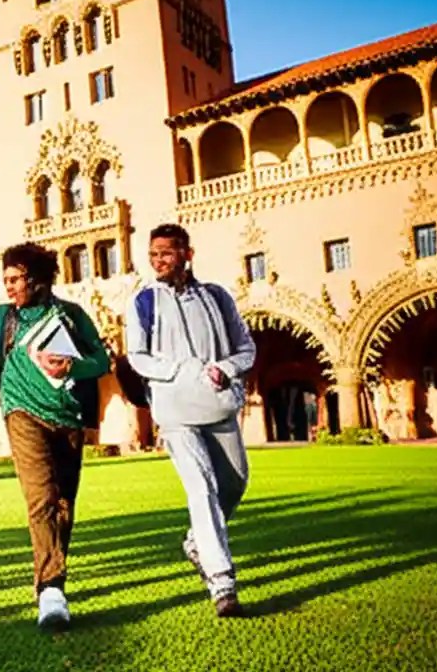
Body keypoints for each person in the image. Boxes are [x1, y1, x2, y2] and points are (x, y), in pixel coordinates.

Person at [124, 223, 256, 618]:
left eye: (166, 253)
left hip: (218, 405)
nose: (158, 261)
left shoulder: (217, 297)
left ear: (187, 254)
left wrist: (224, 369)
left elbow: (246, 347)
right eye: (153, 254)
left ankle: (198, 542)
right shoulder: (144, 301)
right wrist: (182, 371)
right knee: (201, 488)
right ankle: (221, 580)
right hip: (175, 410)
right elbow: (137, 356)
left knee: (234, 483)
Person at [0, 243, 110, 630]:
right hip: (22, 413)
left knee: (64, 502)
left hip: (67, 416)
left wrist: (72, 366)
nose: (9, 287)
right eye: (5, 279)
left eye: (15, 279)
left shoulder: (71, 315)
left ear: (36, 279)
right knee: (41, 498)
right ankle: (51, 589)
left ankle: (53, 578)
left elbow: (101, 361)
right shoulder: (1, 319)